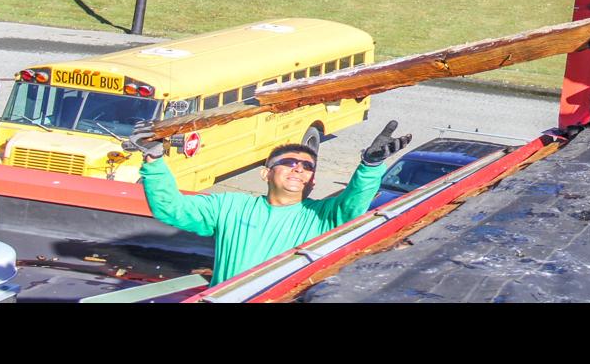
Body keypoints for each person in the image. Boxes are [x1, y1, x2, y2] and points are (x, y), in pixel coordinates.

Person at [131, 121, 410, 285]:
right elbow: (171, 208)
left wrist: (371, 165)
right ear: (265, 173)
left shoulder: (323, 217)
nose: (298, 168)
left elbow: (353, 203)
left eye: (307, 166)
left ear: (313, 181)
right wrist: (154, 161)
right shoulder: (229, 207)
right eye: (288, 163)